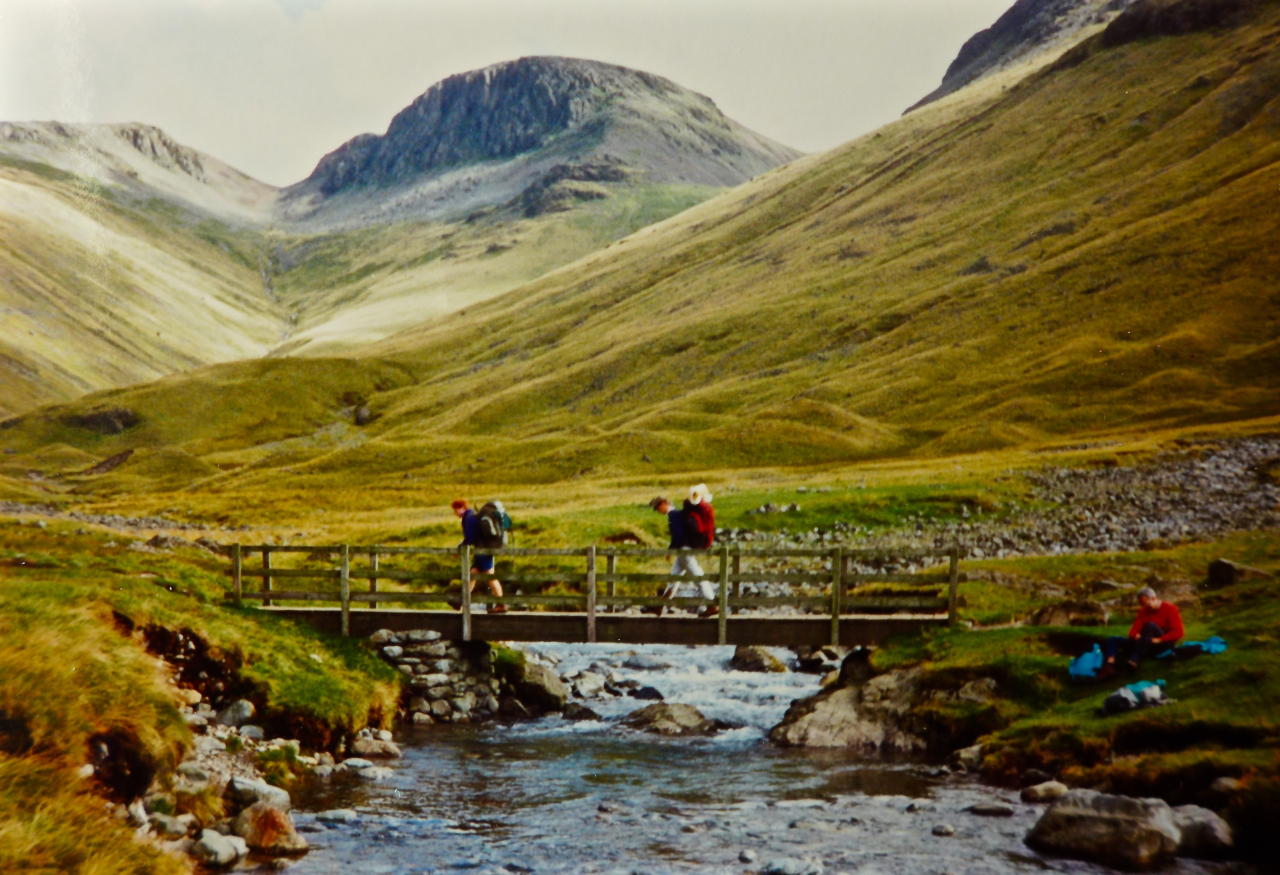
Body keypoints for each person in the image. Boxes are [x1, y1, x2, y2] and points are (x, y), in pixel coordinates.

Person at [648, 492, 717, 618]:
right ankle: (660, 606)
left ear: (663, 504)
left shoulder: (673, 515)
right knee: (674, 578)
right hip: (684, 550)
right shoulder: (679, 513)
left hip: (684, 550)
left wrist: (670, 550)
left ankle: (711, 604)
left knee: (697, 576)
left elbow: (678, 536)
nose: (658, 511)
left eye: (657, 508)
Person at [1099, 586, 1183, 678]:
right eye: (1143, 605)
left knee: (1150, 625)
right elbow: (1133, 631)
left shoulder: (1170, 608)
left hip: (1161, 644)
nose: (1145, 607)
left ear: (1153, 598)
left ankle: (1134, 658)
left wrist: (1160, 639)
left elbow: (1179, 632)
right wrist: (1137, 636)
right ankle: (1109, 666)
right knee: (1113, 639)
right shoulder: (1143, 611)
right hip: (1145, 642)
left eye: (1146, 604)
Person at [452, 499, 506, 613]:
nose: (455, 512)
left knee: (490, 577)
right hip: (483, 549)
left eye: (456, 509)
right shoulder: (473, 516)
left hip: (482, 550)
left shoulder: (469, 518)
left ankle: (501, 604)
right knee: (473, 574)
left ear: (462, 508)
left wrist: (461, 548)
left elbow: (470, 538)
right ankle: (461, 601)